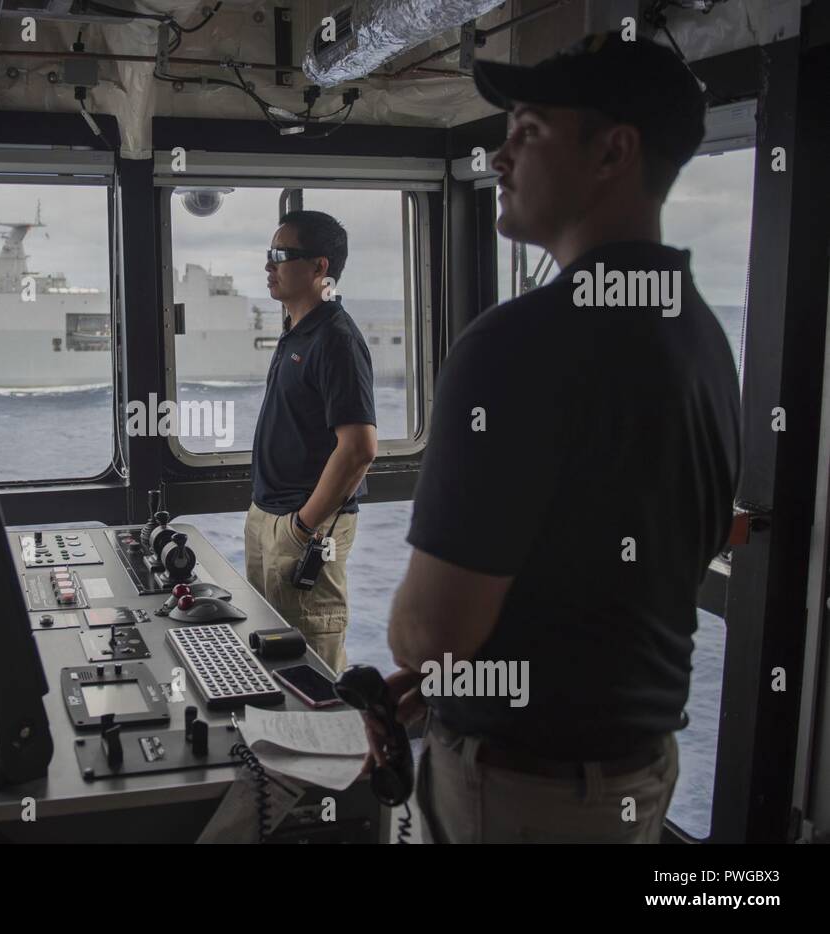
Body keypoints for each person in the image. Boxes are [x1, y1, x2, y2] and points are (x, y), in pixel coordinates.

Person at [373, 33, 742, 843]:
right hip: (635, 778)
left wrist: (428, 652)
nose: (498, 155)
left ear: (614, 151)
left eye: (529, 131)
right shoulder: (701, 336)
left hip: (522, 802)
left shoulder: (515, 345)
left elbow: (430, 633)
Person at [244, 210, 378, 671]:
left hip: (304, 528)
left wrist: (303, 527)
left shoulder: (335, 339)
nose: (269, 266)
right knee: (268, 659)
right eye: (269, 255)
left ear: (320, 268)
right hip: (269, 519)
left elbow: (359, 448)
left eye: (280, 256)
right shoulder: (297, 332)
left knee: (311, 668)